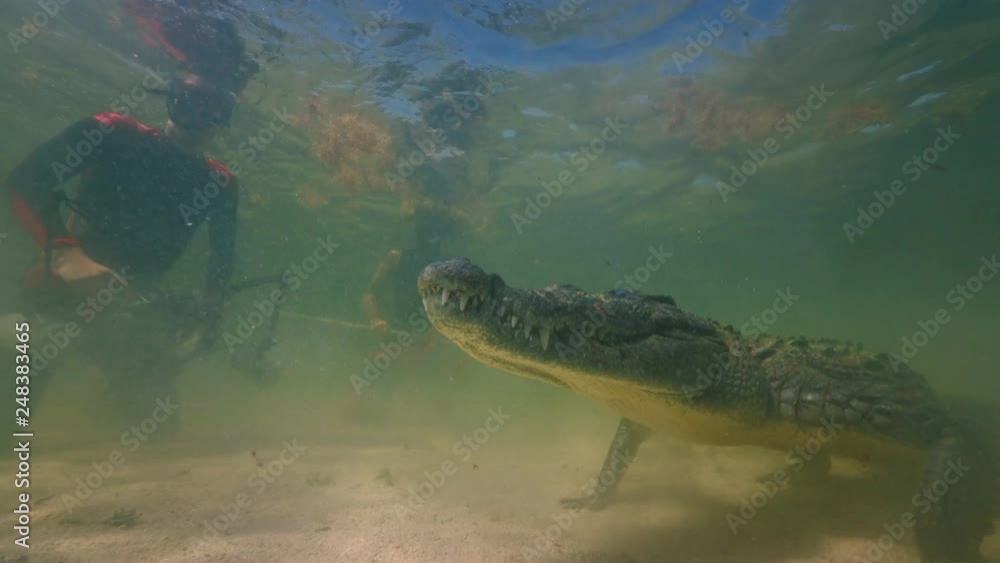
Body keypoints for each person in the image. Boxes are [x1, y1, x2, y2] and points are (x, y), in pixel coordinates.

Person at [6, 71, 243, 431]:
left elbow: (221, 260)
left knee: (155, 429)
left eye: (213, 112)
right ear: (170, 101)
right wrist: (68, 257)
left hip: (132, 310)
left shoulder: (221, 184)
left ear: (224, 119)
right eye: (188, 106)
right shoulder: (112, 133)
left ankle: (107, 402)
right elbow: (26, 180)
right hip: (60, 290)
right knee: (10, 424)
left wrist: (210, 311)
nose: (197, 123)